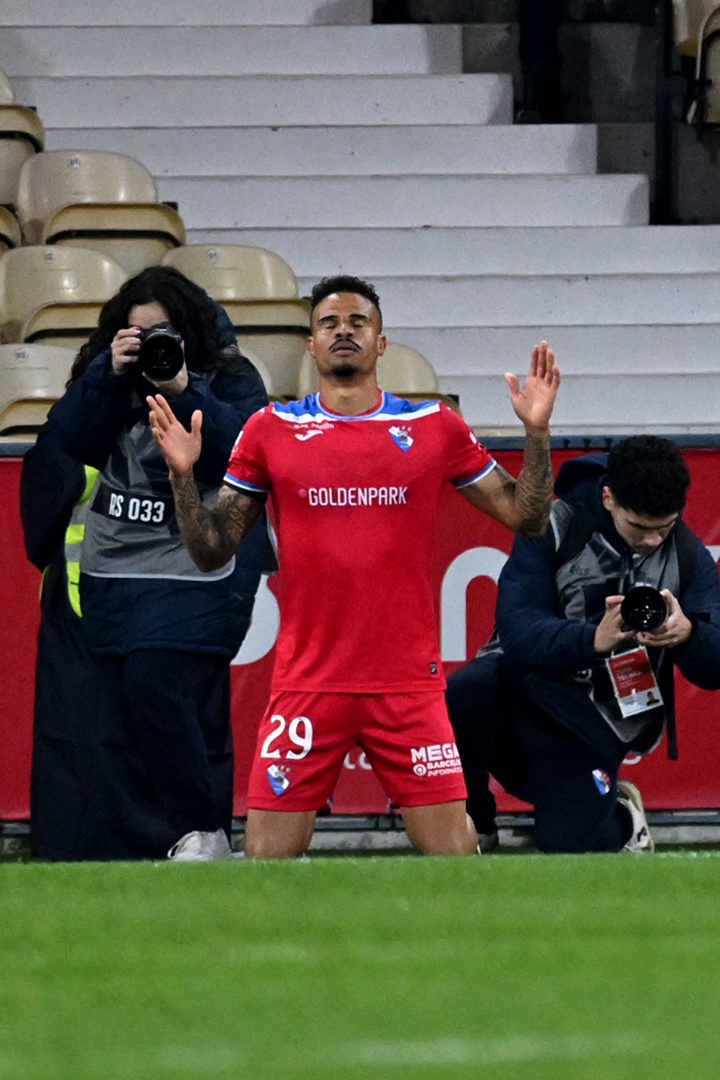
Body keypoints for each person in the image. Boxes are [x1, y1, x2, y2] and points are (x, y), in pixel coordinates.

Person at [146, 273, 560, 858]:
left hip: (408, 686)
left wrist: (536, 433)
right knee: (266, 864)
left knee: (456, 861)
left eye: (358, 322)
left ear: (381, 343)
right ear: (311, 346)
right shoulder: (270, 430)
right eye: (328, 324)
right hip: (307, 684)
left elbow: (529, 518)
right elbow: (211, 549)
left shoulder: (433, 427)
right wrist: (183, 477)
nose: (344, 332)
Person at [33, 266, 274, 861]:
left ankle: (202, 829)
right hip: (117, 564)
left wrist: (187, 388)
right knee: (127, 691)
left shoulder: (232, 376)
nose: (150, 347)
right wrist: (106, 378)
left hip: (201, 560)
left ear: (187, 332)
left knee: (154, 675)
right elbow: (62, 443)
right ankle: (146, 837)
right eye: (136, 335)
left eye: (161, 334)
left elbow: (252, 449)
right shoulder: (109, 376)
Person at [446, 435, 720, 854]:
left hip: (593, 726)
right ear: (608, 498)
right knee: (465, 690)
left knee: (571, 844)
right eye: (640, 528)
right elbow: (517, 632)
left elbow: (714, 666)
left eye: (664, 528)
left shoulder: (686, 552)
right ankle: (475, 824)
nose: (652, 540)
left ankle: (624, 817)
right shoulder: (554, 526)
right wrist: (593, 639)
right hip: (522, 695)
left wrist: (688, 634)